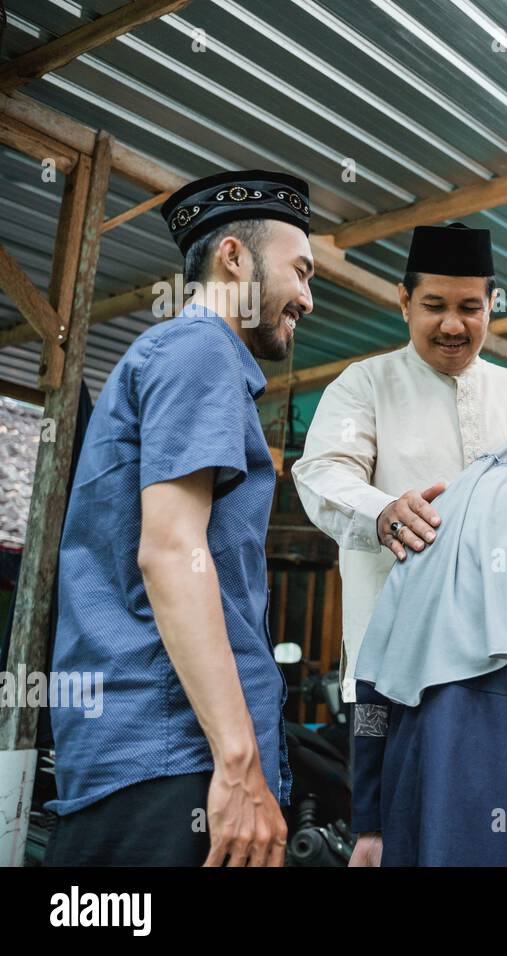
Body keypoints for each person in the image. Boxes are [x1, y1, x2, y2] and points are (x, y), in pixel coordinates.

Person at [46, 170, 316, 866]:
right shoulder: (200, 349)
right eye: (300, 271)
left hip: (155, 754)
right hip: (175, 758)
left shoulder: (173, 356)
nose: (308, 299)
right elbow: (170, 553)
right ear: (234, 257)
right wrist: (236, 761)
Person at [292, 221, 507, 711]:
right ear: (404, 301)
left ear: (491, 306)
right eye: (434, 306)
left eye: (469, 308)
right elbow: (322, 472)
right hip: (395, 666)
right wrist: (384, 512)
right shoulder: (364, 385)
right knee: (397, 789)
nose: (452, 325)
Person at [348, 423, 507, 866]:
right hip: (504, 771)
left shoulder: (428, 532)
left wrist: (370, 825)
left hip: (408, 782)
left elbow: (370, 700)